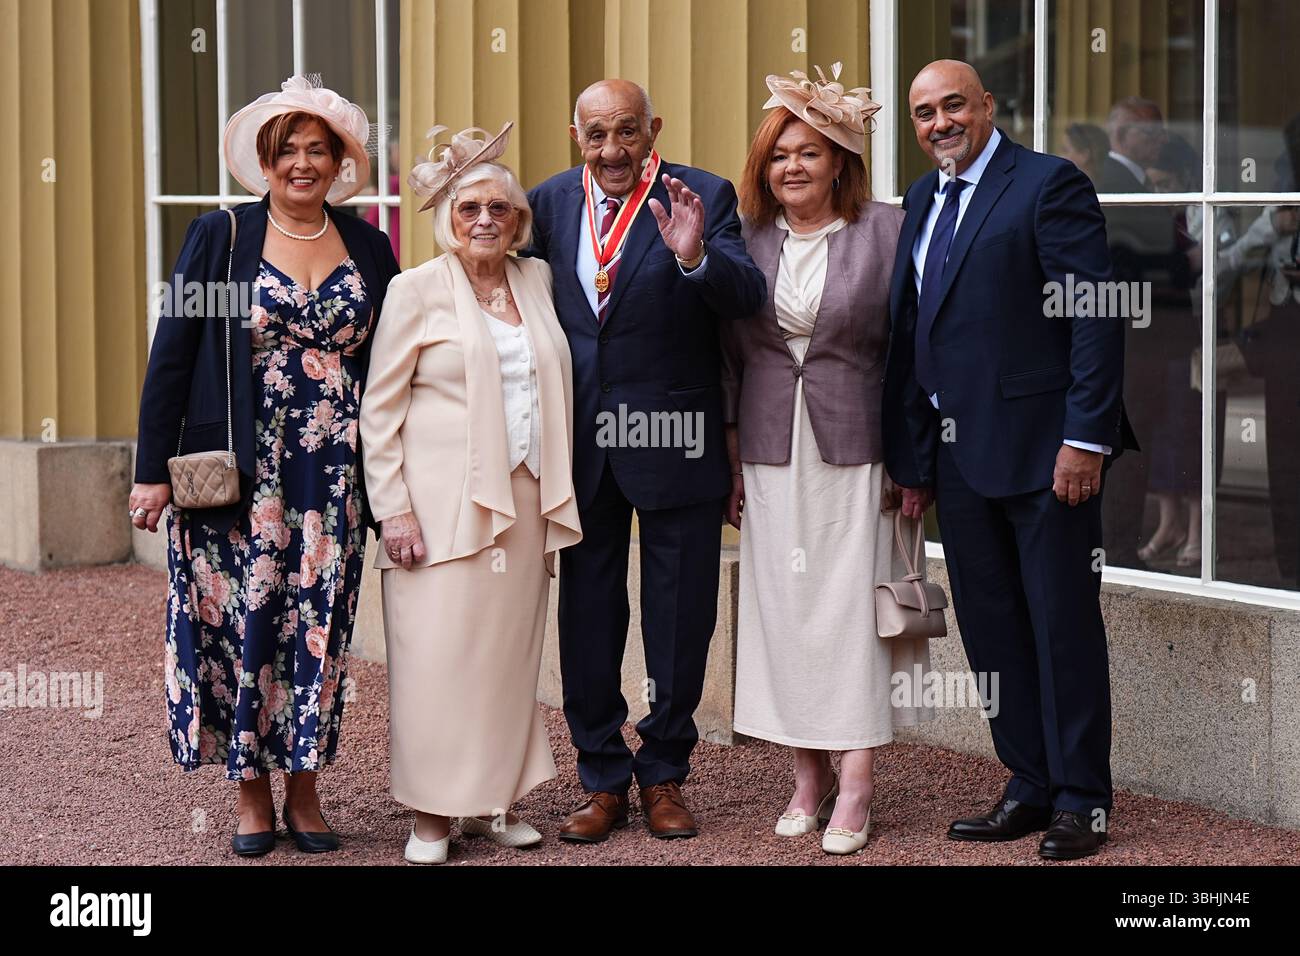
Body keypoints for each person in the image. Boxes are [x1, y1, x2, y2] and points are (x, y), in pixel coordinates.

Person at [129, 75, 400, 856]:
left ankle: (306, 793)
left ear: (343, 160)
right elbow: (172, 355)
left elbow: (396, 363)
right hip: (238, 477)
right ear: (266, 161)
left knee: (317, 629)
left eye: (320, 149)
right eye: (289, 151)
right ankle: (249, 795)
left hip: (335, 476)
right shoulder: (222, 236)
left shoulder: (372, 246)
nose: (304, 164)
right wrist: (152, 469)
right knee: (237, 625)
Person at [882, 59, 1137, 860]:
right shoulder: (921, 200)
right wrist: (915, 459)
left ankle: (1082, 801)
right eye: (924, 113)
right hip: (959, 459)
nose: (939, 123)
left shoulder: (1048, 183)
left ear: (988, 106)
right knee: (992, 632)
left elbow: (1095, 314)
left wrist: (1084, 439)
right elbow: (918, 332)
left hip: (1045, 454)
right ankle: (1028, 783)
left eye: (953, 105)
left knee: (1060, 627)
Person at [523, 79, 765, 842]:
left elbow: (746, 296)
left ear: (652, 128)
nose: (612, 149)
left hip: (675, 441)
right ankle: (601, 776)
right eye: (596, 134)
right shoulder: (547, 203)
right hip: (580, 446)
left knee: (679, 615)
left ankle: (664, 772)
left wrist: (695, 257)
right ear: (576, 136)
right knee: (588, 618)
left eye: (627, 132)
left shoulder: (704, 193)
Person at [721, 64, 932, 856]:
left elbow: (915, 350)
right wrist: (733, 456)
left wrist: (916, 463)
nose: (793, 168)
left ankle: (858, 780)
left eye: (810, 152)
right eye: (779, 156)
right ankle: (806, 775)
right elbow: (729, 359)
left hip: (859, 449)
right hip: (773, 450)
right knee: (783, 611)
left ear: (840, 159)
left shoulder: (890, 227)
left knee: (850, 616)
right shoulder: (743, 241)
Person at [359, 123, 582, 865]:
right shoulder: (414, 290)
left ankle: (493, 803)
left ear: (519, 221)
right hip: (436, 509)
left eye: (500, 210)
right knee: (434, 662)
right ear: (447, 220)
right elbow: (379, 411)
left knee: (505, 661)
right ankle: (431, 814)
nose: (485, 221)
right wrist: (393, 509)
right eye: (469, 210)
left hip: (520, 505)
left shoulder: (537, 281)